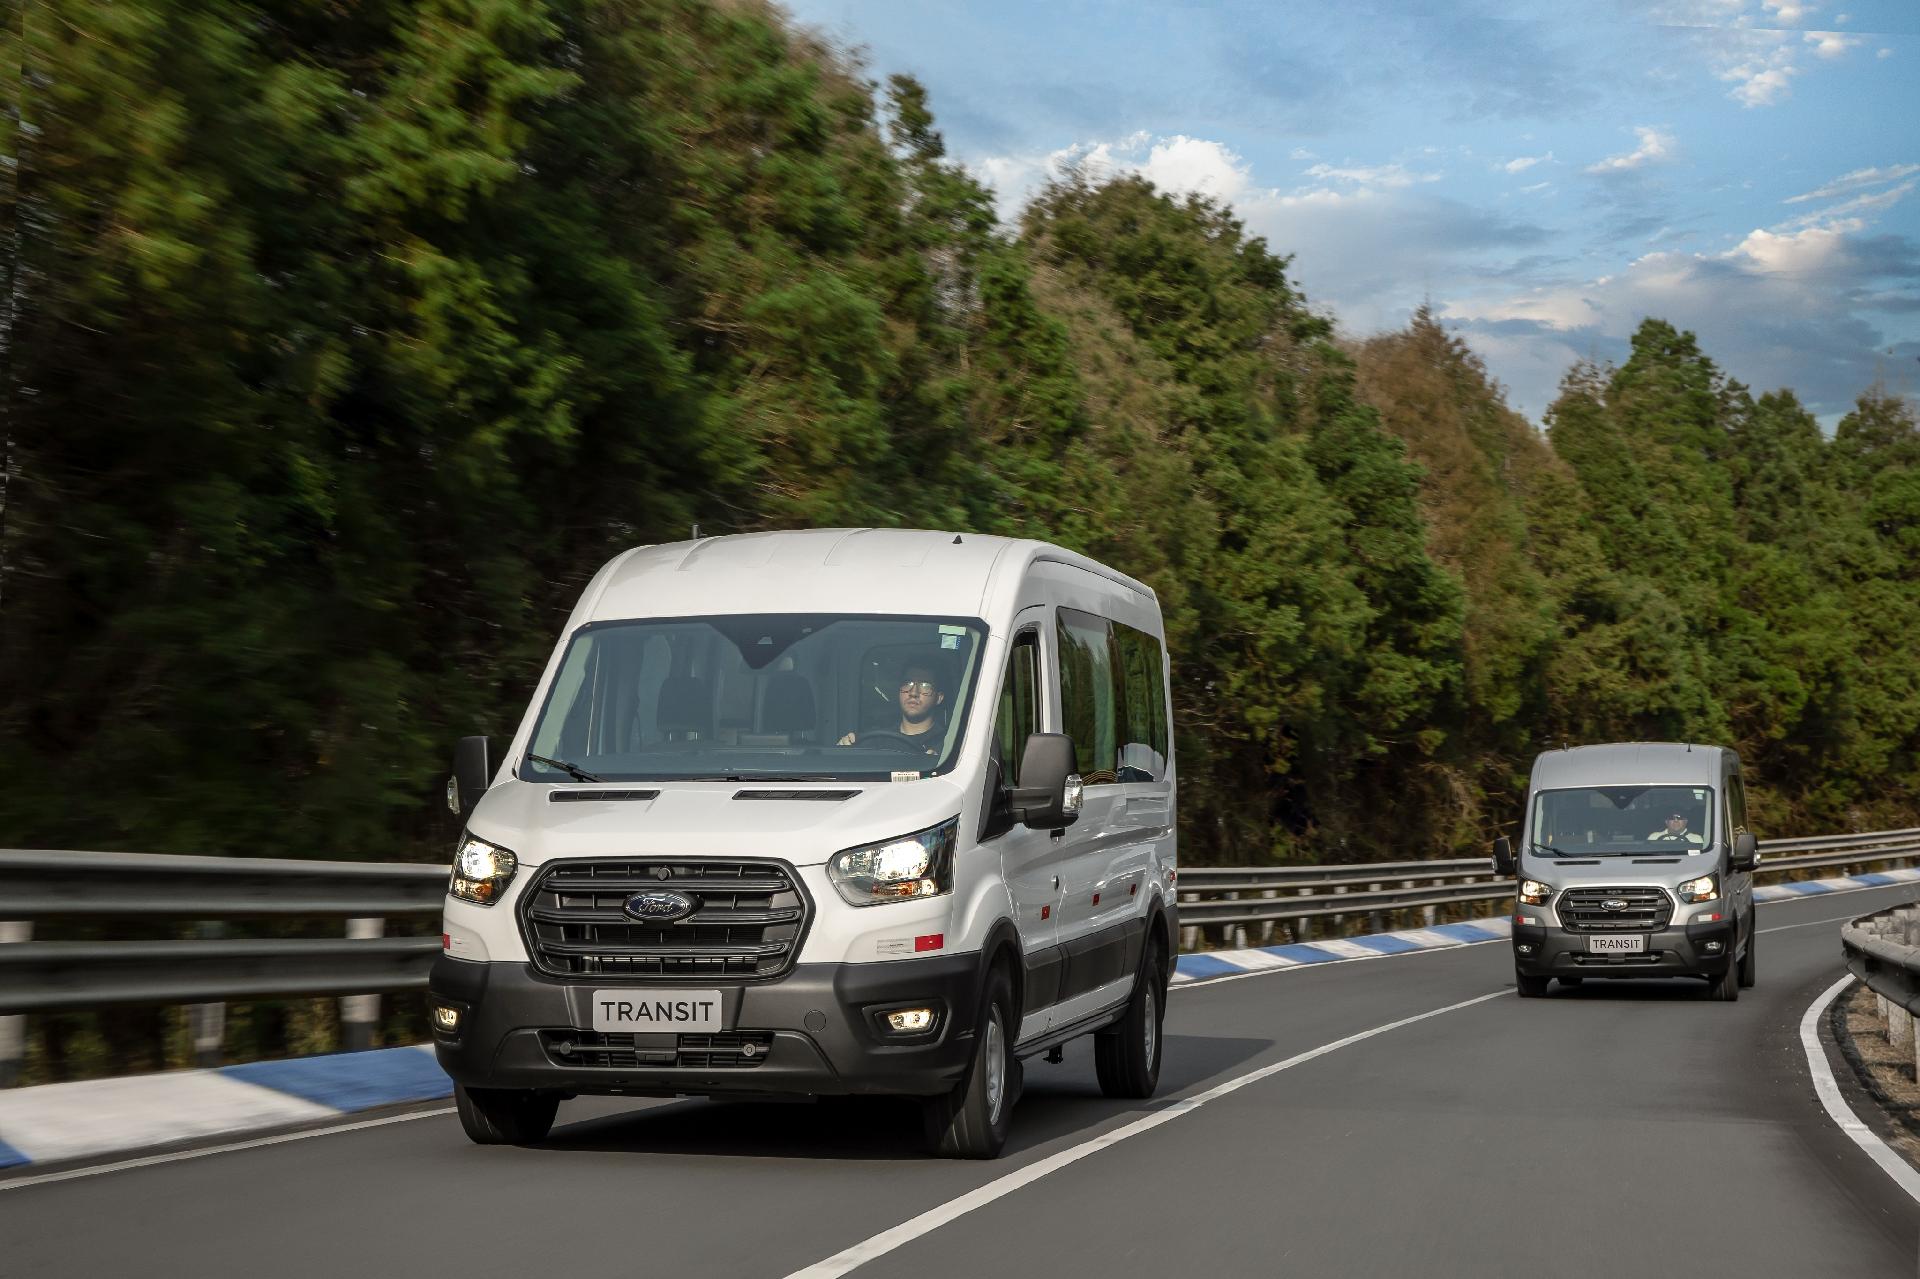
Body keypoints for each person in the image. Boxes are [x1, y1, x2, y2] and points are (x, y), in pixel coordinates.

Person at [838, 660, 945, 752]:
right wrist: (844, 750)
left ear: (938, 698)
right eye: (908, 683)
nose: (913, 693)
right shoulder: (877, 741)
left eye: (925, 685)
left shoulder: (949, 747)